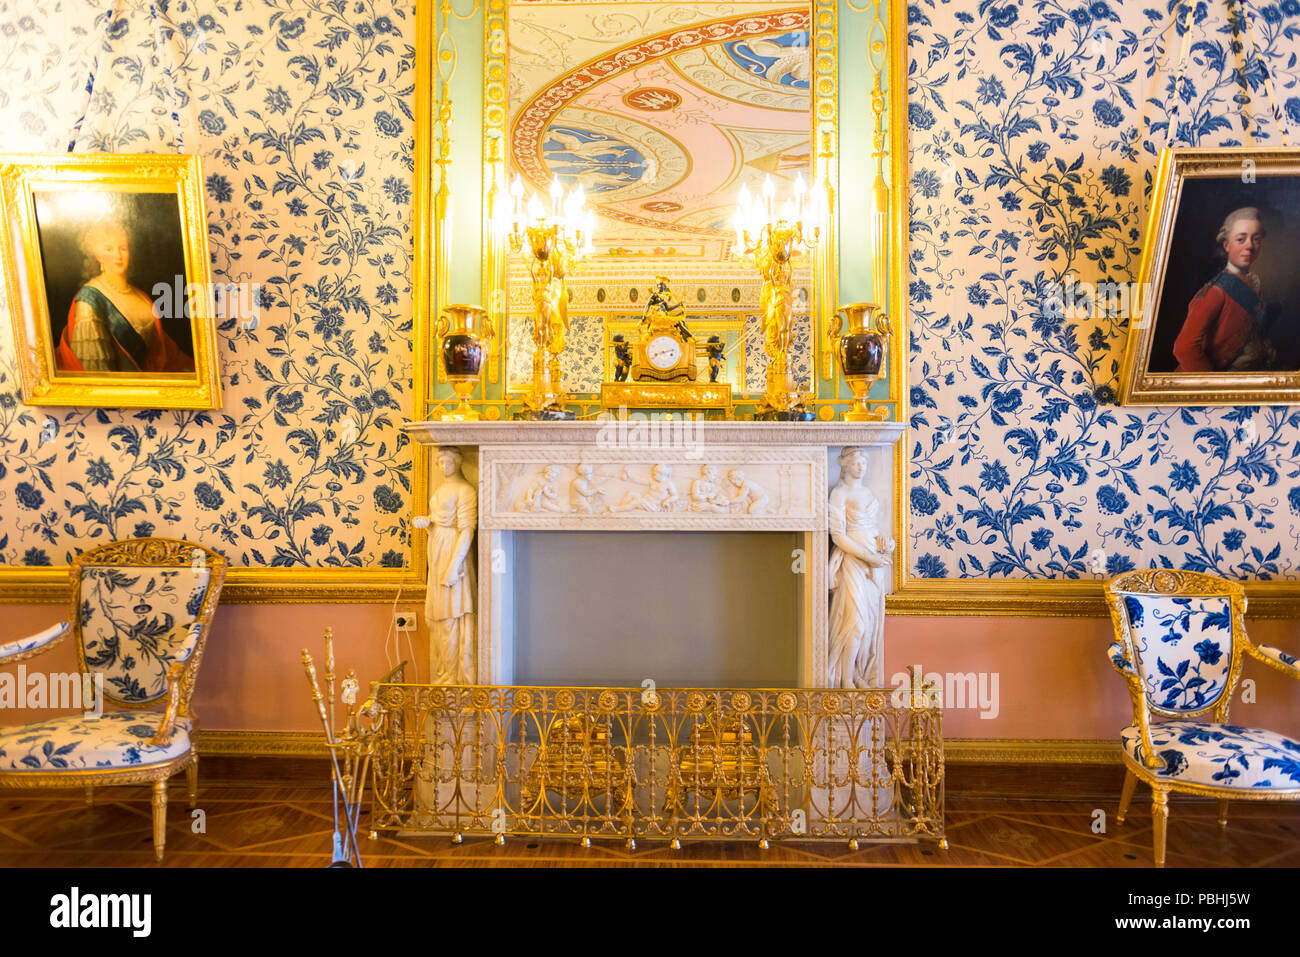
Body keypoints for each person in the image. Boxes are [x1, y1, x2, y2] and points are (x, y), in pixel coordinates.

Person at [55, 217, 193, 373]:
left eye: (123, 248)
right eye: (108, 249)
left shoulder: (142, 297)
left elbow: (165, 356)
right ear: (98, 256)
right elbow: (95, 373)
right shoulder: (90, 299)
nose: (117, 255)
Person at [1171, 207, 1275, 372]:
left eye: (1256, 239)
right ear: (1226, 245)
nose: (1249, 246)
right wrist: (1213, 384)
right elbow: (1184, 348)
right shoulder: (1215, 292)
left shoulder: (1254, 286)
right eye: (1241, 239)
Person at [827, 447, 894, 689]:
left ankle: (856, 674)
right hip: (853, 561)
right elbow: (838, 536)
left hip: (875, 563)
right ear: (844, 464)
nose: (861, 467)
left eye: (863, 463)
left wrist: (887, 544)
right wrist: (868, 556)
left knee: (868, 627)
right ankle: (844, 680)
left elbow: (875, 529)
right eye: (856, 462)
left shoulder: (867, 492)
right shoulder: (839, 493)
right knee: (855, 623)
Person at [415, 446, 477, 684]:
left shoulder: (465, 490)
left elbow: (466, 530)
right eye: (439, 462)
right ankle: (444, 674)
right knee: (437, 618)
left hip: (453, 557)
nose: (442, 466)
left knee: (451, 616)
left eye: (447, 461)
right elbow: (439, 523)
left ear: (458, 461)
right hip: (437, 553)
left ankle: (452, 677)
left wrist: (453, 566)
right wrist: (428, 524)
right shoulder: (441, 489)